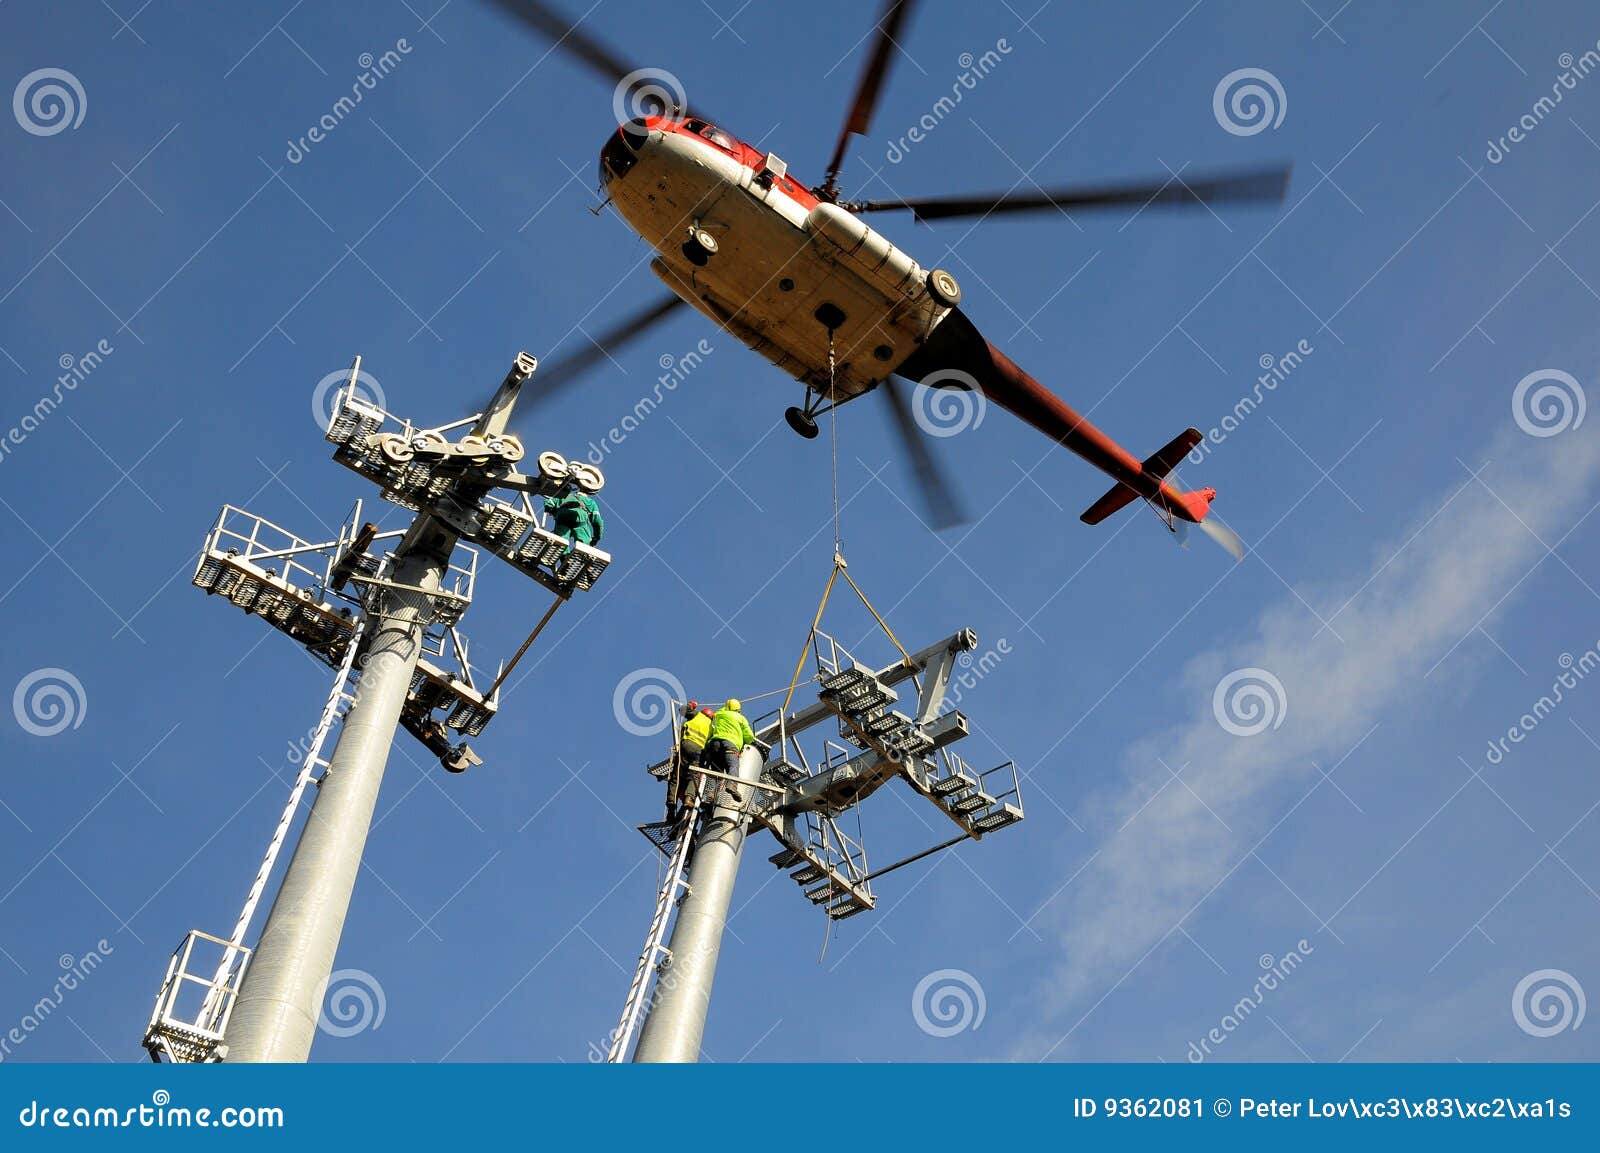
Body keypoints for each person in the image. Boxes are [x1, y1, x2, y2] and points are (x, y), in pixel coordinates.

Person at [704, 698, 757, 803]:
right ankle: (731, 785)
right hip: (730, 744)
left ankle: (711, 793)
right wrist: (748, 742)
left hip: (715, 744)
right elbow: (749, 736)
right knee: (733, 765)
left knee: (716, 772)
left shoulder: (718, 715)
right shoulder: (740, 718)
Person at [667, 701, 714, 817]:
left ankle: (671, 804)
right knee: (694, 776)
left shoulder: (697, 715)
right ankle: (689, 798)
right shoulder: (712, 727)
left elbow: (682, 710)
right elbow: (710, 745)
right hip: (699, 751)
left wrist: (691, 705)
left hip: (686, 745)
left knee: (676, 776)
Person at [544, 483, 604, 553]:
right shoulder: (590, 502)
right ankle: (582, 552)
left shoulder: (564, 496)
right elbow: (597, 521)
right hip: (579, 518)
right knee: (583, 540)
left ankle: (563, 556)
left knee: (561, 540)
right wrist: (596, 537)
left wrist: (554, 512)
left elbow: (548, 503)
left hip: (562, 517)